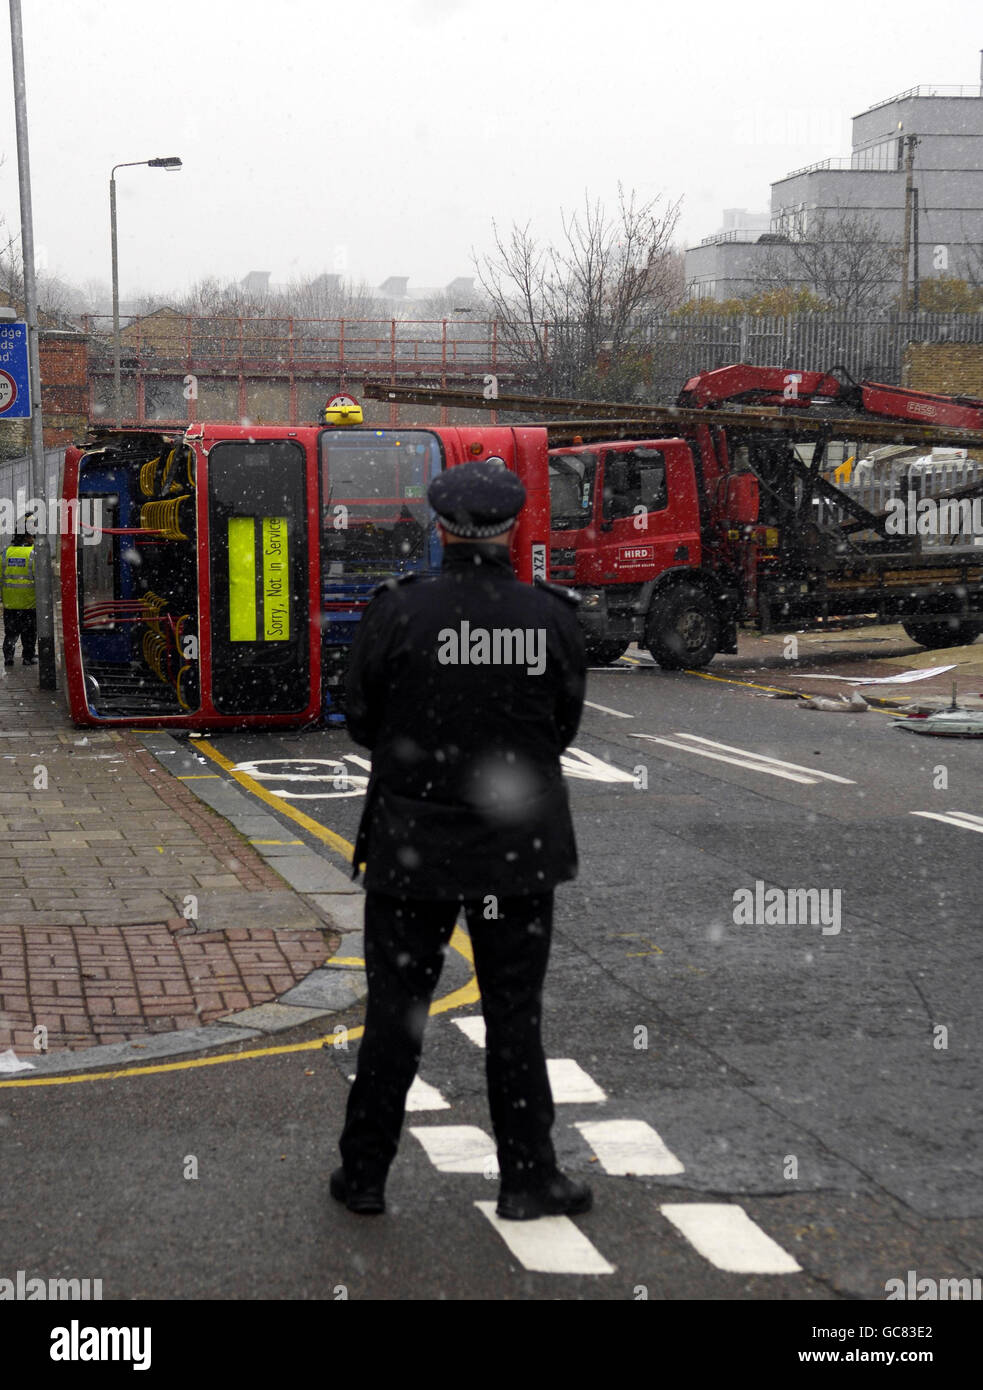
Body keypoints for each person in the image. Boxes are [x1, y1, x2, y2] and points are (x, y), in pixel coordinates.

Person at [332, 456, 590, 1220]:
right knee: (514, 1012)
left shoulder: (397, 610)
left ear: (439, 526)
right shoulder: (550, 616)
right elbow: (562, 726)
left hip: (414, 845)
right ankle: (526, 1177)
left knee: (395, 1011)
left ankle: (365, 1175)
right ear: (512, 527)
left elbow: (361, 721)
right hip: (517, 849)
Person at [1, 530, 37, 667]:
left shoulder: (6, 553)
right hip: (29, 602)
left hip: (10, 602)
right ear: (27, 537)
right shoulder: (33, 554)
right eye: (32, 536)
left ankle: (8, 657)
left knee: (10, 632)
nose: (33, 539)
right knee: (29, 632)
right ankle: (28, 657)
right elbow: (39, 577)